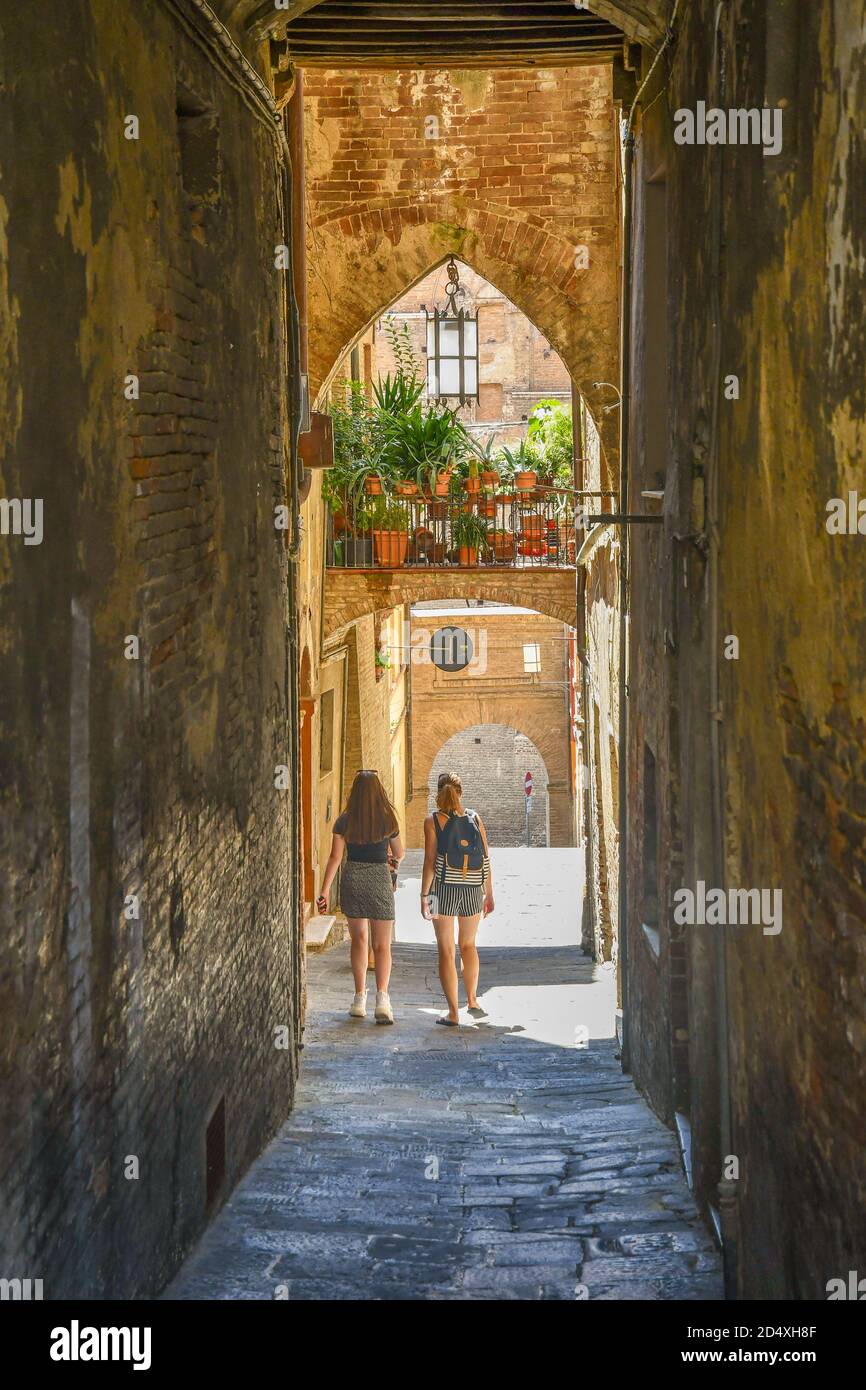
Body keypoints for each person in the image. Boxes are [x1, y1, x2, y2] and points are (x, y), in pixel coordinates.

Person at [318, 770, 403, 1024]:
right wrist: (390, 859)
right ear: (379, 791)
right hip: (379, 879)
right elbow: (399, 853)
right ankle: (383, 1000)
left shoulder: (344, 820)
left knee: (359, 941)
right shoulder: (388, 819)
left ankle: (358, 999)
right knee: (382, 946)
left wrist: (324, 891)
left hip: (353, 878)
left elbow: (335, 858)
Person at [421, 771, 494, 1026]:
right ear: (460, 793)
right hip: (473, 889)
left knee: (446, 949)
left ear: (438, 793)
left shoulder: (433, 821)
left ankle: (453, 1012)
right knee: (468, 945)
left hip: (440, 890)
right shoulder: (474, 818)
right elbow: (485, 858)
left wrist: (424, 895)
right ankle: (472, 999)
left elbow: (430, 862)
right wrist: (489, 894)